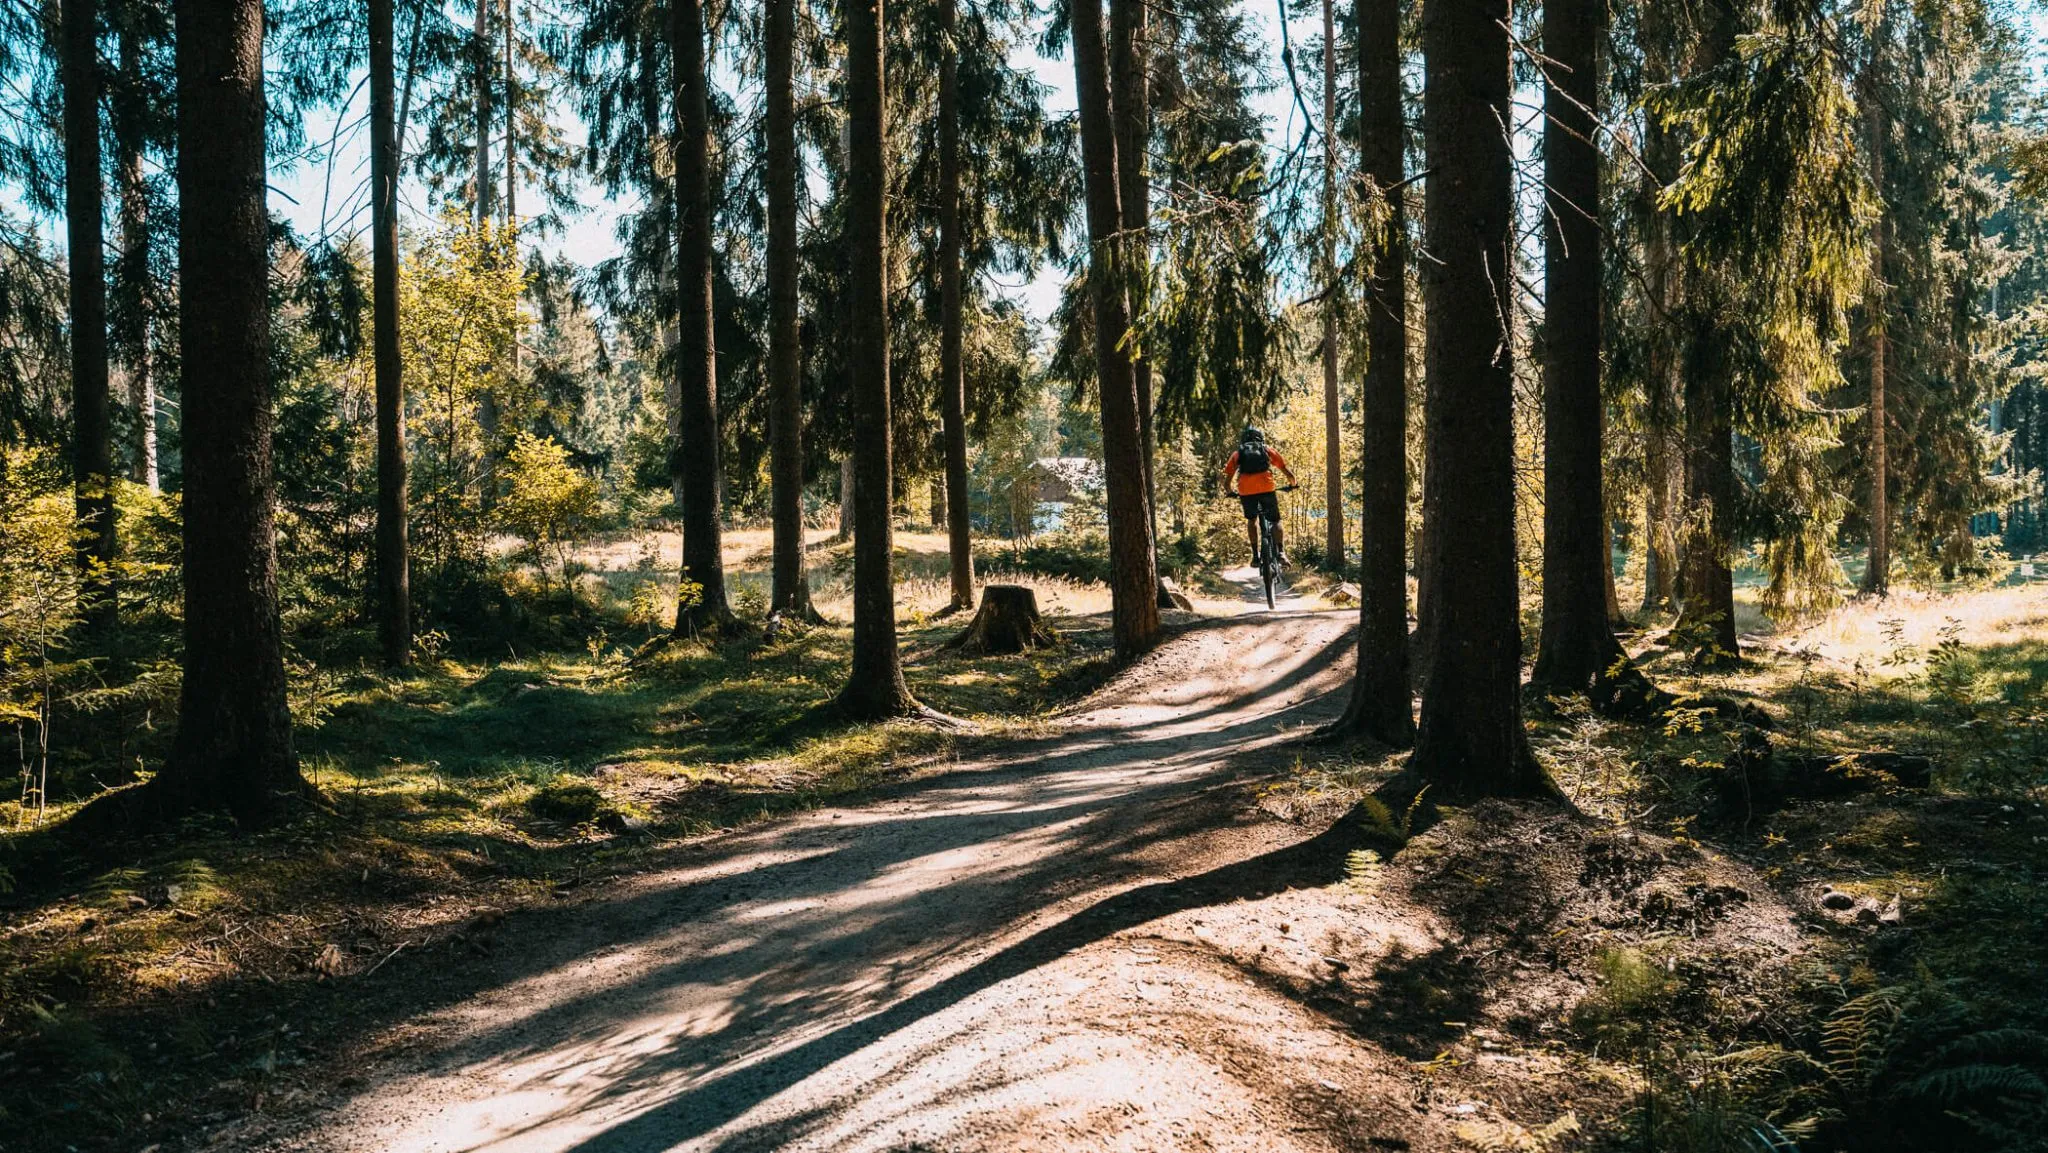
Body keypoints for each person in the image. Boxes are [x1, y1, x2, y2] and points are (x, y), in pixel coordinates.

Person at [1222, 427, 1298, 566]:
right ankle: (1281, 552)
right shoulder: (1267, 450)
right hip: (1267, 488)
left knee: (1251, 520)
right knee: (1275, 521)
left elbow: (1227, 482)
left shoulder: (1237, 453)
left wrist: (1230, 492)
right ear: (1260, 438)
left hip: (1246, 491)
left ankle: (1255, 556)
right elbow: (1287, 472)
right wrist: (1293, 485)